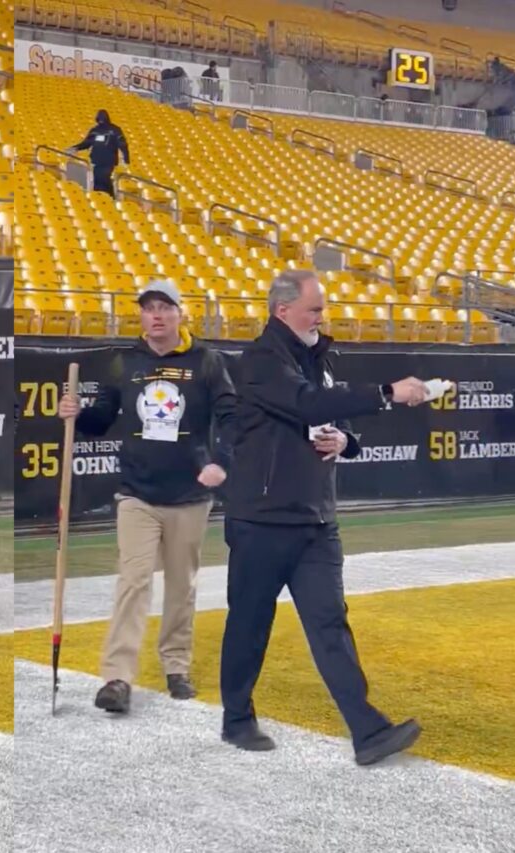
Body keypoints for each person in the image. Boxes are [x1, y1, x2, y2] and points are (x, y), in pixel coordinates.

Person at [220, 269, 430, 766]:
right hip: (262, 521)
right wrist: (385, 393)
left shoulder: (321, 360)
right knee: (250, 623)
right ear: (283, 310)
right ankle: (236, 718)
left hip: (316, 521)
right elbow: (304, 403)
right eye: (314, 308)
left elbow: (326, 415)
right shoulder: (260, 360)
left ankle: (368, 731)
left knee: (330, 623)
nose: (322, 315)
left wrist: (347, 441)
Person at [57, 279, 237, 714]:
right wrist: (77, 414)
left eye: (164, 307)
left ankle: (176, 666)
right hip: (136, 493)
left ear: (180, 314)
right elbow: (101, 419)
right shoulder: (125, 363)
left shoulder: (207, 362)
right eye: (148, 308)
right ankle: (117, 677)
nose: (155, 315)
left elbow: (232, 417)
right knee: (133, 581)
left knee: (181, 585)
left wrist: (221, 462)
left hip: (190, 495)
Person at [69, 109, 130, 197]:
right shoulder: (95, 130)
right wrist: (75, 148)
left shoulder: (115, 130)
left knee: (104, 178)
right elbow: (86, 143)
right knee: (98, 180)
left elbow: (122, 144)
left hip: (109, 160)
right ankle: (100, 198)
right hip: (97, 161)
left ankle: (109, 197)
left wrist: (126, 158)